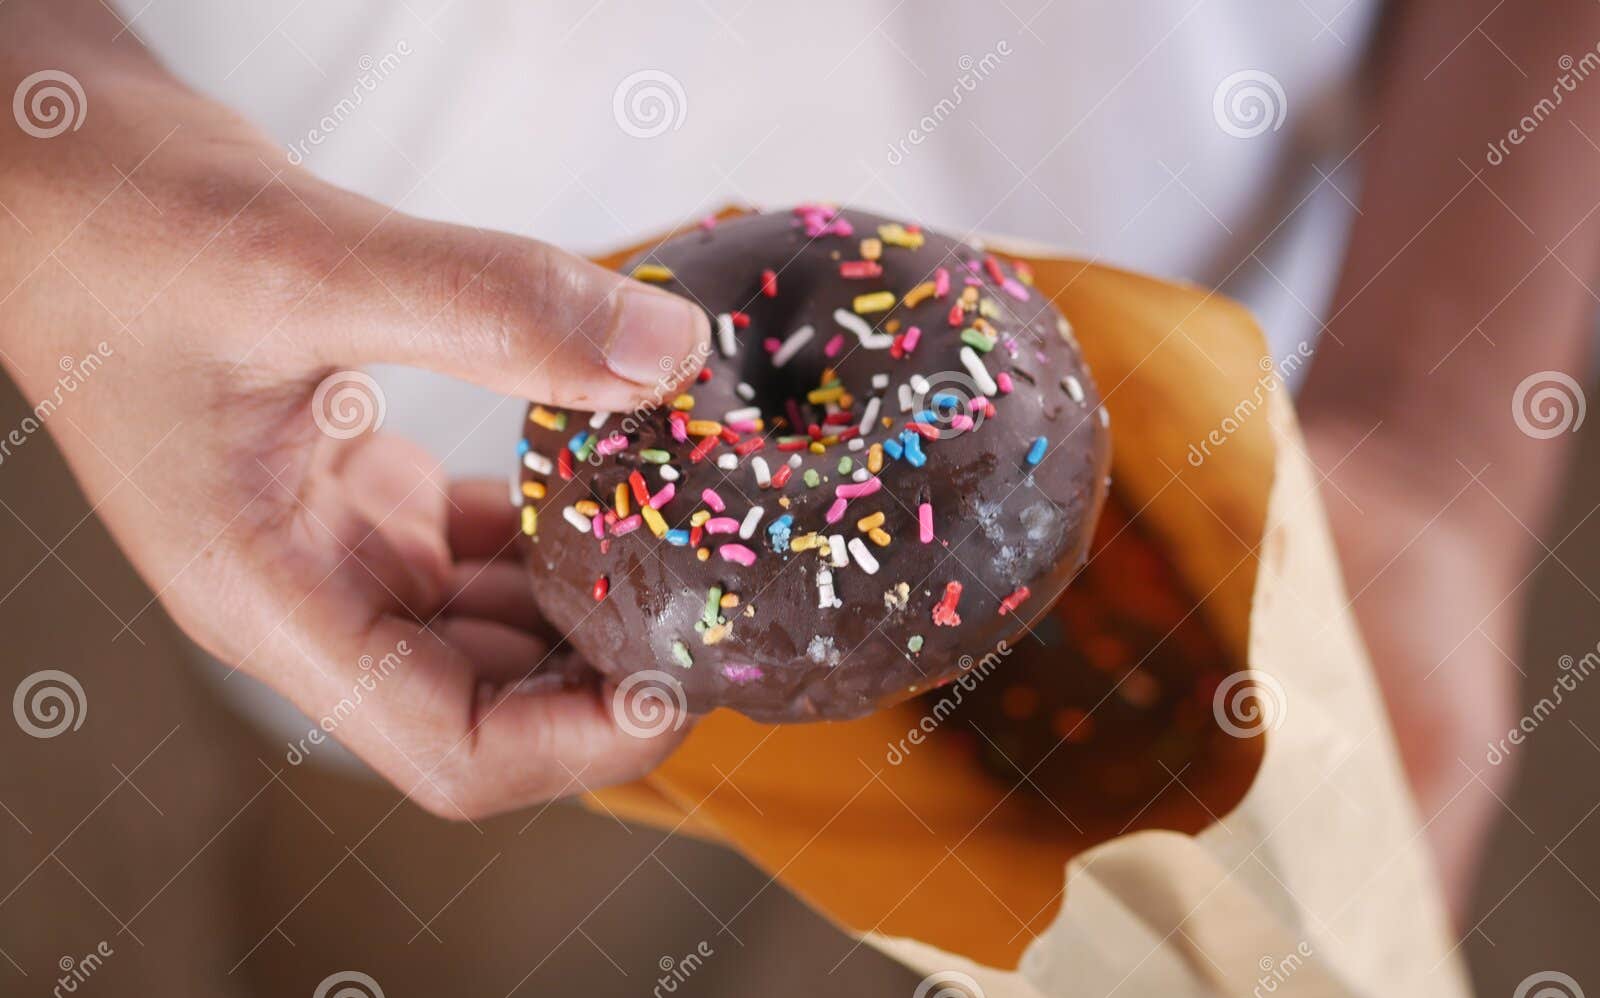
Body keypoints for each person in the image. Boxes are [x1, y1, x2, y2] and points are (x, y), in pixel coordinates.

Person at [2, 0, 1594, 920]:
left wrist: (1425, 432)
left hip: (1216, 484)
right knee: (463, 995)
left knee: (1137, 988)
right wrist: (54, 171)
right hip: (402, 540)